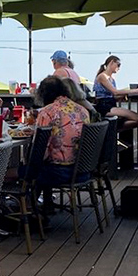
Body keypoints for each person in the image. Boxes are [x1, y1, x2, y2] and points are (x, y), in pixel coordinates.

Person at [35, 76, 91, 212]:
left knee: (27, 172)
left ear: (43, 94)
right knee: (38, 168)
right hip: (83, 171)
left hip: (60, 172)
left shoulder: (47, 112)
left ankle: (30, 211)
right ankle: (44, 206)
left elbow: (41, 151)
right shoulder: (82, 111)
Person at [93, 56, 138, 130]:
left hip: (111, 105)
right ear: (112, 62)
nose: (119, 68)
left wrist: (123, 95)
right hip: (104, 107)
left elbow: (114, 96)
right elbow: (115, 92)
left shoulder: (111, 79)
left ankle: (113, 131)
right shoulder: (102, 76)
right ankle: (113, 130)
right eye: (118, 65)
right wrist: (135, 90)